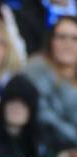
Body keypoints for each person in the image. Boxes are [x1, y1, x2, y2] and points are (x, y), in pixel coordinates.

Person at [22, 15, 77, 148]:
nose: (68, 44)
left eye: (74, 39)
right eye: (62, 37)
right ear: (51, 41)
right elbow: (44, 119)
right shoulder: (35, 71)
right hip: (40, 150)